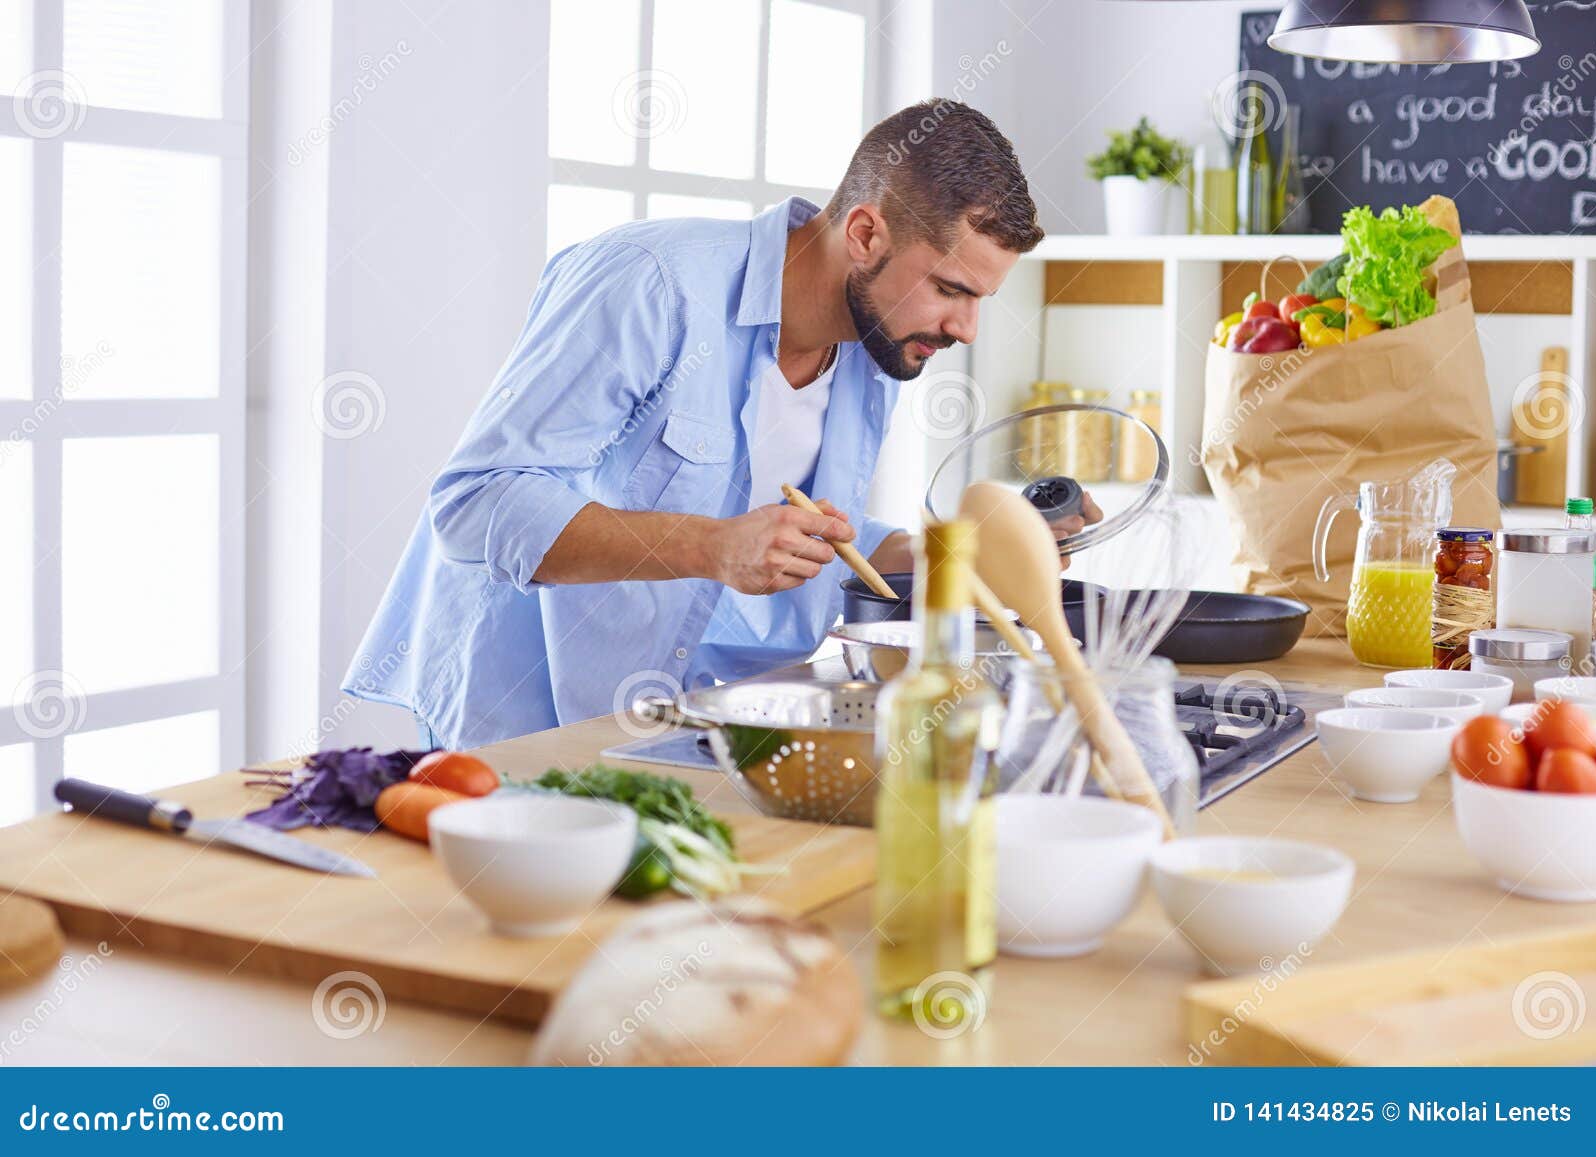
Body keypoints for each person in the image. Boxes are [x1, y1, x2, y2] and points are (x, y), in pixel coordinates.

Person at [344, 99, 1100, 749]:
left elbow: (807, 534)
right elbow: (477, 505)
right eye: (949, 288)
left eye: (980, 301)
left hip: (683, 722)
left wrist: (961, 557)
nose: (966, 329)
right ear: (867, 234)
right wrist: (712, 547)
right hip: (522, 724)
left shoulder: (876, 351)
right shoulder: (652, 282)